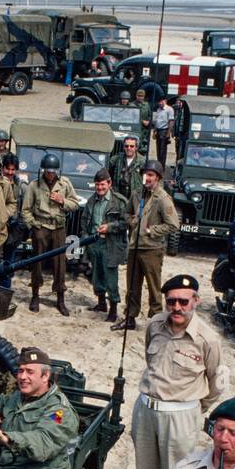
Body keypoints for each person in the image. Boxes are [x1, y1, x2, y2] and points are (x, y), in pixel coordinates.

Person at [117, 273, 222, 469]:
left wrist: (195, 408)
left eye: (183, 302)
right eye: (171, 301)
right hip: (146, 410)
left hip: (181, 416)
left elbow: (216, 383)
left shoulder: (207, 339)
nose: (177, 307)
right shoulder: (154, 325)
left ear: (196, 301)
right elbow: (150, 362)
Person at [116, 160, 179, 328]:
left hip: (152, 249)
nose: (147, 178)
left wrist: (153, 230)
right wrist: (132, 220)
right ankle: (129, 317)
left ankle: (157, 322)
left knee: (153, 288)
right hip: (135, 246)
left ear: (157, 178)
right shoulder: (137, 194)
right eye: (145, 174)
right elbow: (126, 213)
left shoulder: (163, 198)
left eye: (150, 175)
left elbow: (173, 224)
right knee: (132, 287)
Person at [20, 153, 81, 316]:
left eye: (53, 171)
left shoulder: (65, 184)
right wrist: (34, 225)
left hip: (59, 227)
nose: (50, 174)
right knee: (37, 262)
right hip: (41, 226)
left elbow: (75, 204)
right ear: (43, 170)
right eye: (47, 171)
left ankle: (60, 298)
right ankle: (35, 295)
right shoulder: (34, 185)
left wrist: (62, 201)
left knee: (60, 263)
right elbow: (25, 210)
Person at [80, 168, 130, 322]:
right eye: (97, 185)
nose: (99, 188)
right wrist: (86, 238)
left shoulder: (119, 202)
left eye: (102, 185)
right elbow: (84, 220)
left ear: (109, 183)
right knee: (97, 275)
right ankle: (101, 303)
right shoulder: (92, 200)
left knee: (110, 278)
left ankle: (113, 309)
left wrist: (110, 228)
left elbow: (127, 222)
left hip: (111, 245)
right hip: (95, 244)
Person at [107, 133, 145, 203]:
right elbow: (107, 172)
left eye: (132, 146)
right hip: (118, 197)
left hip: (134, 198)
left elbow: (145, 180)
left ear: (136, 147)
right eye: (126, 146)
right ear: (123, 147)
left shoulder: (143, 162)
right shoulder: (116, 159)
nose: (129, 148)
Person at [151, 95, 175, 168]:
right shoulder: (159, 109)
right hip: (158, 130)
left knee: (162, 150)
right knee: (158, 149)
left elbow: (171, 121)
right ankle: (159, 165)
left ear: (165, 101)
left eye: (162, 101)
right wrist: (154, 131)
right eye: (159, 102)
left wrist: (168, 133)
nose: (160, 103)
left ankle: (162, 167)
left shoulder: (169, 109)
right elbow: (157, 121)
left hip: (164, 131)